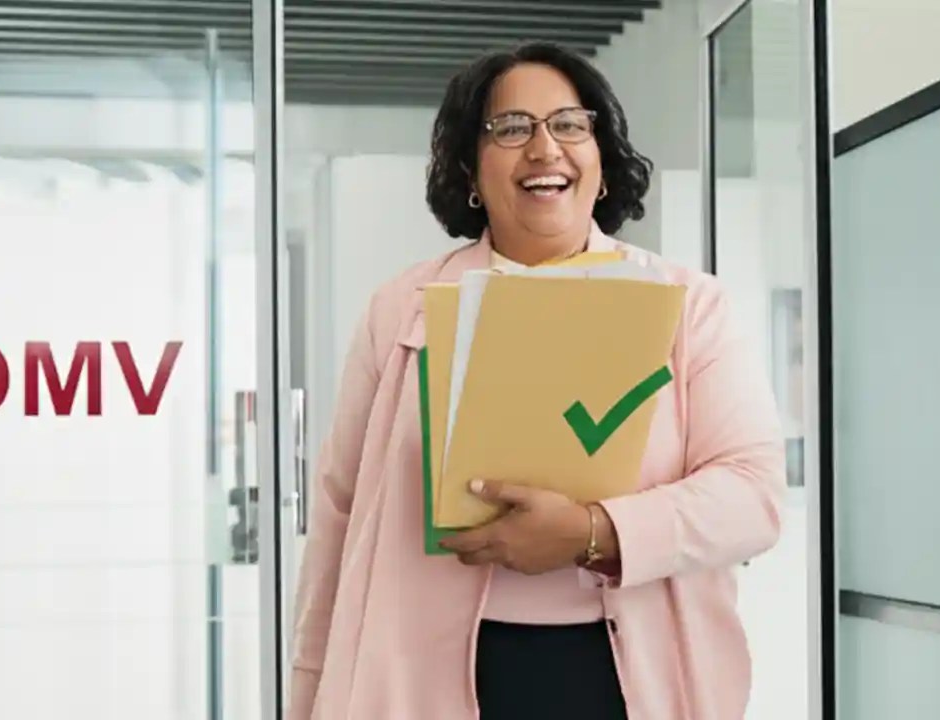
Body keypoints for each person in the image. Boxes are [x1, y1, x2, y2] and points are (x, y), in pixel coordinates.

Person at [286, 42, 787, 720]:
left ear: (602, 163)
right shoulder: (400, 309)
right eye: (511, 128)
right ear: (470, 169)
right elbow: (340, 521)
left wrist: (594, 531)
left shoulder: (688, 306)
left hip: (631, 675)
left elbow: (751, 498)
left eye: (571, 125)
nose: (544, 148)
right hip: (424, 681)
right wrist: (307, 693)